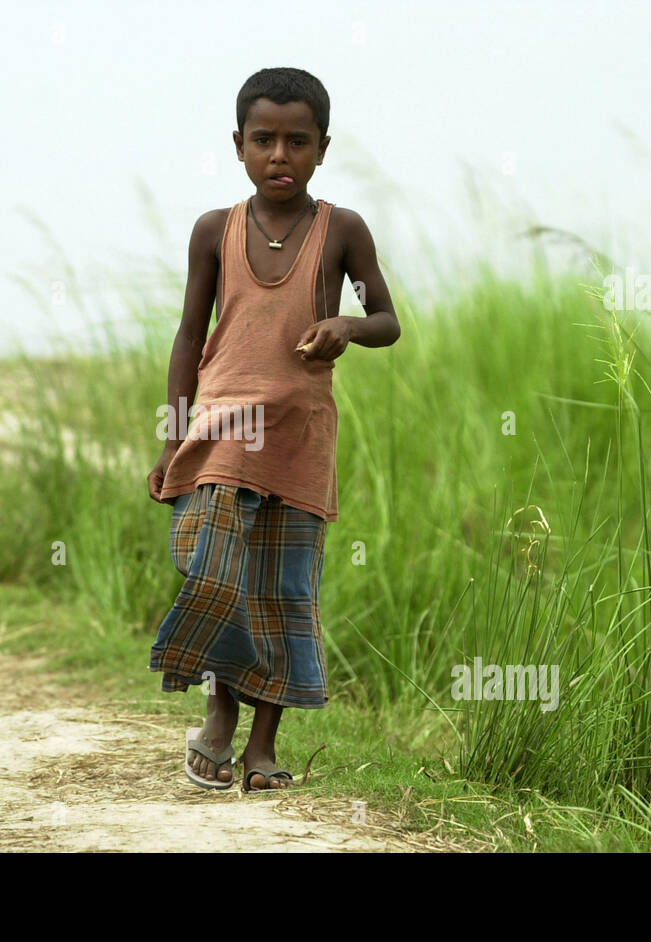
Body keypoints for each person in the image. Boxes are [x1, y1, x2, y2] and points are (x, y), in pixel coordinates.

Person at [146, 67, 400, 792]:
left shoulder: (342, 231)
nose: (279, 155)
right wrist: (172, 439)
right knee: (216, 573)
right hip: (224, 428)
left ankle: (262, 746)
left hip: (299, 438)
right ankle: (219, 714)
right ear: (238, 145)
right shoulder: (213, 231)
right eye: (264, 140)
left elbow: (388, 319)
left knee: (283, 590)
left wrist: (348, 325)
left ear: (323, 148)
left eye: (297, 141)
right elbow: (188, 336)